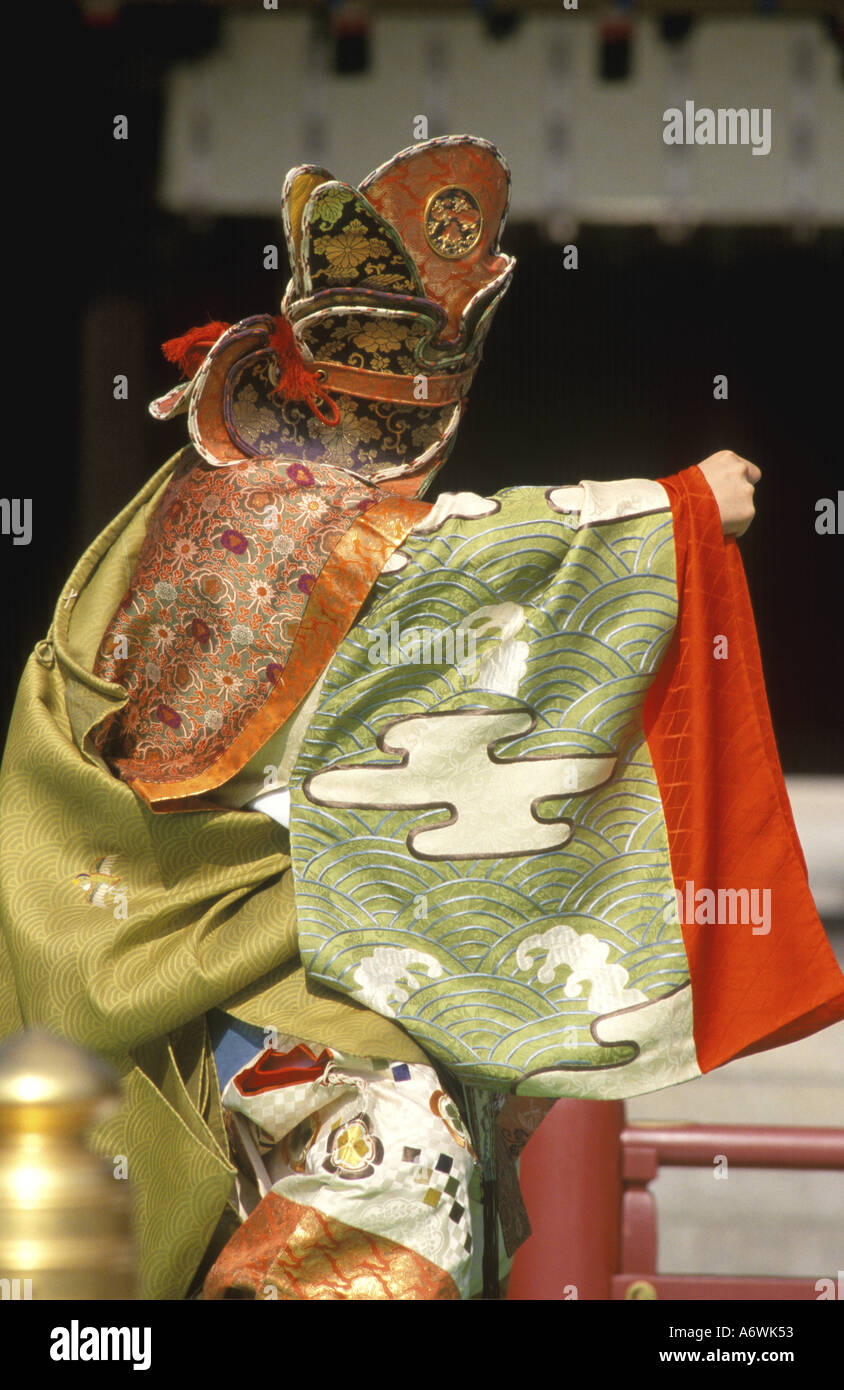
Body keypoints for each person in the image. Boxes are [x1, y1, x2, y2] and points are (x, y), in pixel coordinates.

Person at [1, 136, 841, 1301]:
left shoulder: (229, 498)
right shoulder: (262, 516)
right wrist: (678, 508)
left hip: (245, 935)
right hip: (209, 952)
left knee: (440, 1100)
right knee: (413, 1156)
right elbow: (441, 561)